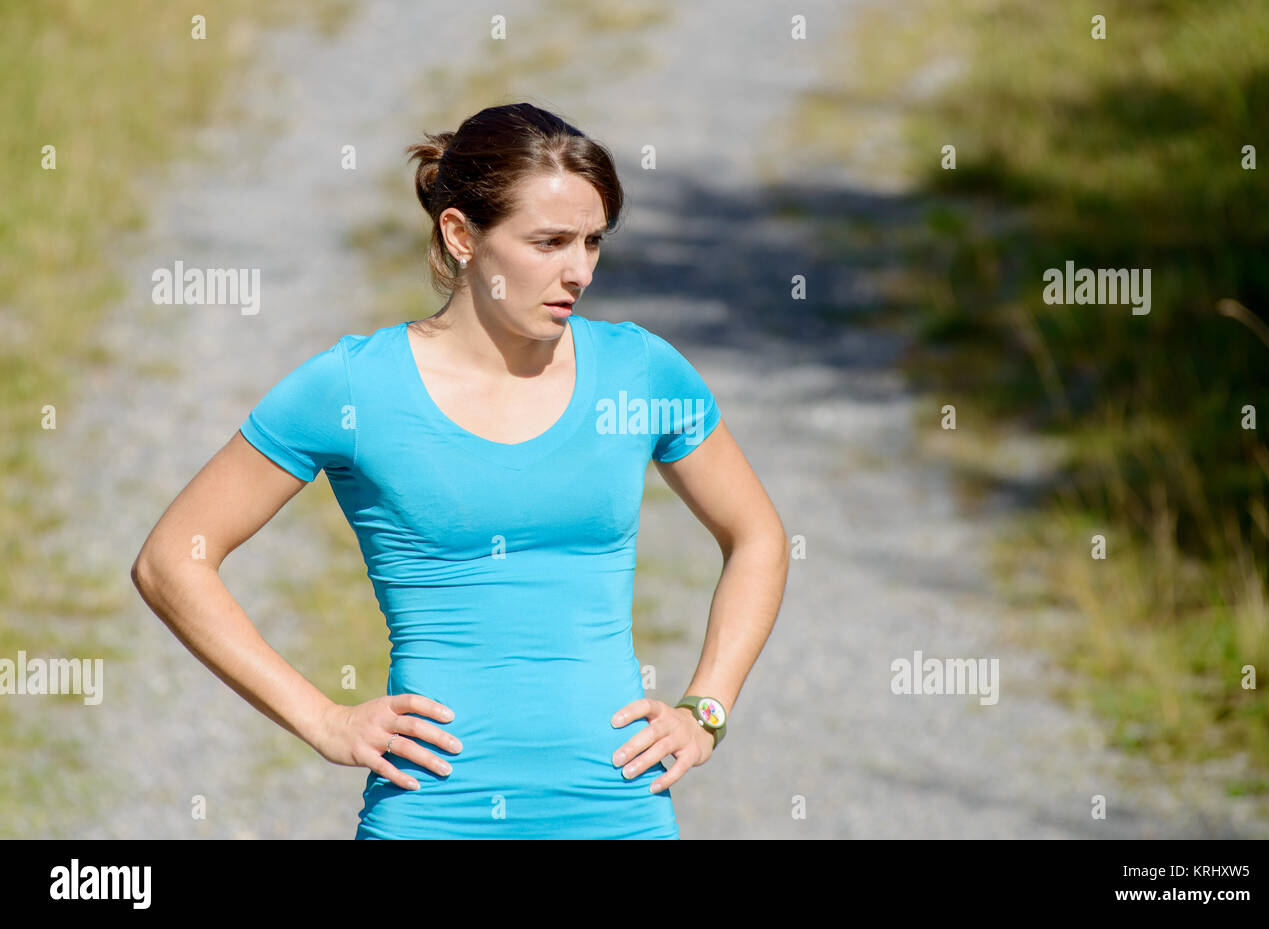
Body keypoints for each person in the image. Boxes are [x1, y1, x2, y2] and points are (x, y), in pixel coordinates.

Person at [131, 102, 789, 839]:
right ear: (460, 234)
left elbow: (757, 535)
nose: (578, 271)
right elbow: (172, 560)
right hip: (433, 815)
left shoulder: (638, 370)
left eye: (592, 241)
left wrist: (706, 709)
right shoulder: (355, 388)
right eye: (548, 242)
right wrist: (321, 718)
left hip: (620, 812)